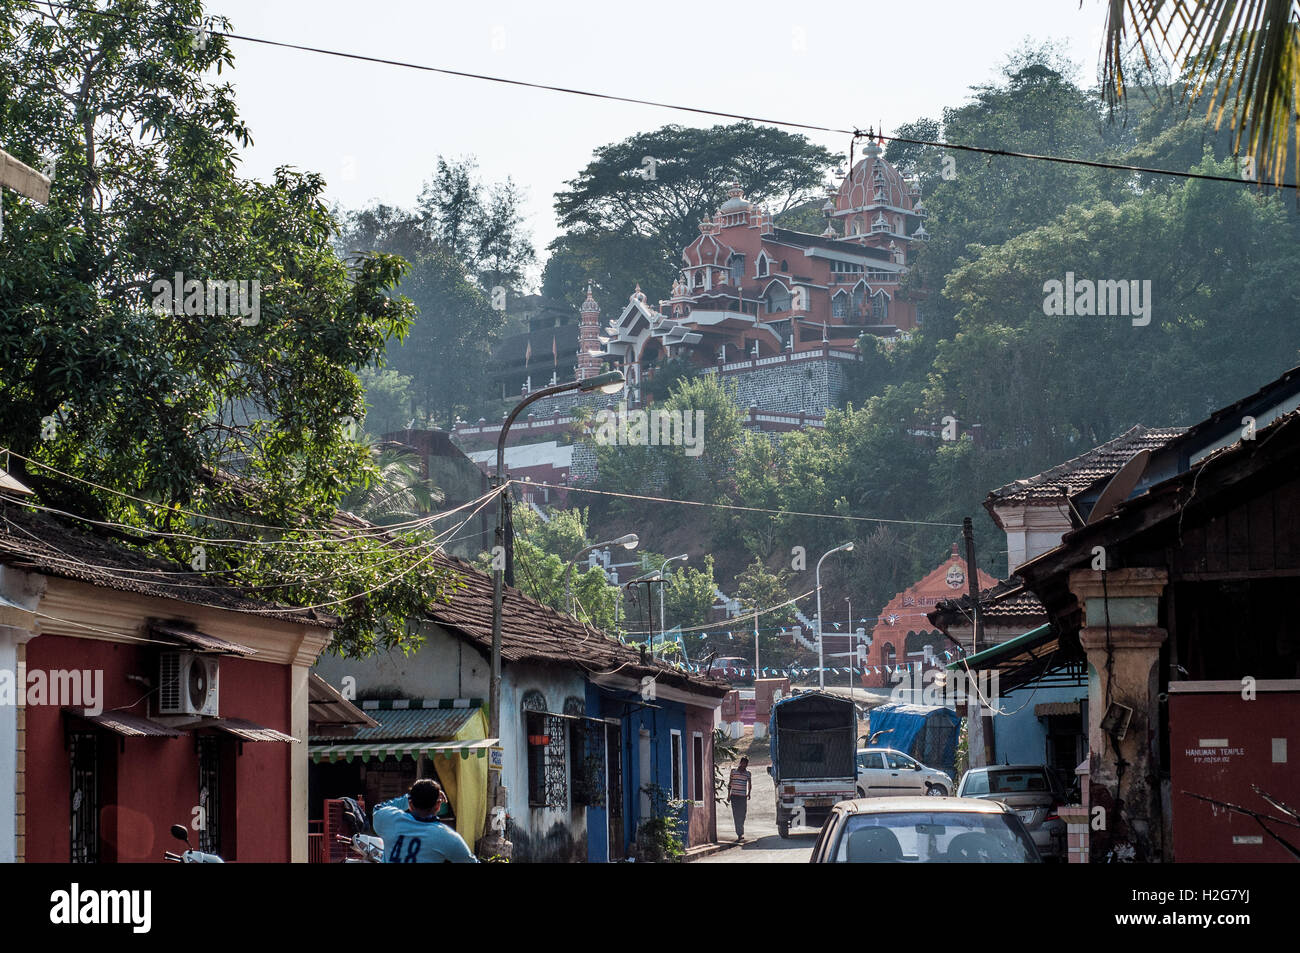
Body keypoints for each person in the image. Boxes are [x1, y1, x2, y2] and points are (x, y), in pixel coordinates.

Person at [372, 778, 478, 863]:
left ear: (410, 804)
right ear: (438, 806)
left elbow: (378, 809)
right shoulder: (447, 836)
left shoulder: (390, 819)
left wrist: (408, 798)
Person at [728, 756, 752, 841]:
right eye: (743, 763)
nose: (744, 765)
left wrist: (748, 794)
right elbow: (730, 784)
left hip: (743, 797)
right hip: (734, 796)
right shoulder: (733, 772)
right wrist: (728, 795)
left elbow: (750, 784)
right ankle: (739, 833)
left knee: (743, 815)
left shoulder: (748, 773)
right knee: (736, 815)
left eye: (745, 764)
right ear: (740, 763)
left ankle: (740, 829)